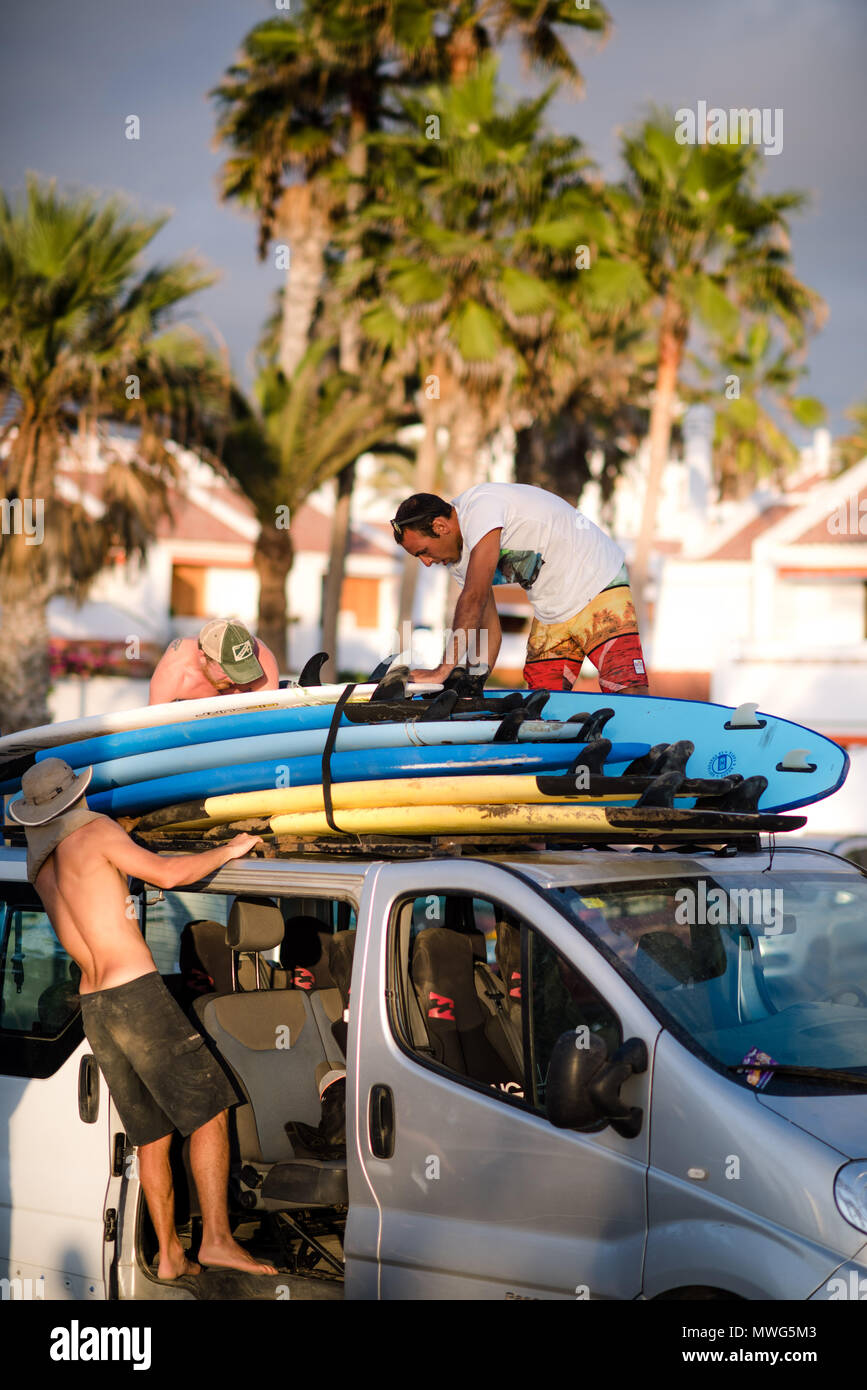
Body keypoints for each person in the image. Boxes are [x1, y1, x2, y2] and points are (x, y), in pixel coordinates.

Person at [8, 758, 277, 1282]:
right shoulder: (96, 833)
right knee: (209, 1110)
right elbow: (169, 875)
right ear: (76, 796)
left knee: (152, 1134)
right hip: (135, 995)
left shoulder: (39, 867)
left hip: (96, 1006)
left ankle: (171, 1255)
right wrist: (229, 849)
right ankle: (217, 1241)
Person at [392, 484, 649, 694]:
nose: (426, 562)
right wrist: (472, 682)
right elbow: (487, 625)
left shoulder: (481, 508)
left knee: (626, 687)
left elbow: (473, 598)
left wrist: (442, 670)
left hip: (598, 581)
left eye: (423, 551)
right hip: (551, 608)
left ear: (440, 526)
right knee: (541, 702)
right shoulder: (458, 560)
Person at [149, 618, 280, 704]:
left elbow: (268, 719)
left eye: (245, 668)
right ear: (203, 657)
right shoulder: (174, 671)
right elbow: (153, 728)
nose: (235, 680)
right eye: (227, 670)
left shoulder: (262, 658)